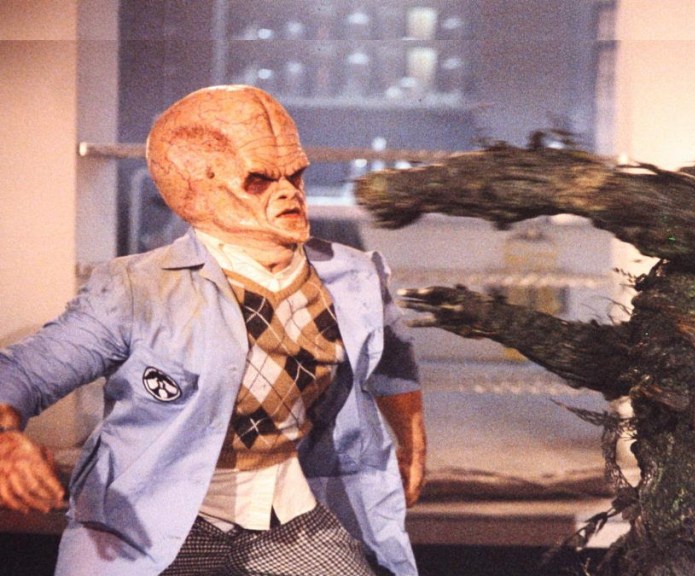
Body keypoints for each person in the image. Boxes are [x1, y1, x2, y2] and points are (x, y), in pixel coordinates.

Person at [0, 85, 426, 576]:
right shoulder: (138, 288)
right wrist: (6, 440)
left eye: (295, 175)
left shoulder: (354, 278)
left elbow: (392, 360)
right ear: (196, 188)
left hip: (286, 511)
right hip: (148, 518)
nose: (289, 192)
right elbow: (23, 373)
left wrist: (412, 443)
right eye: (259, 180)